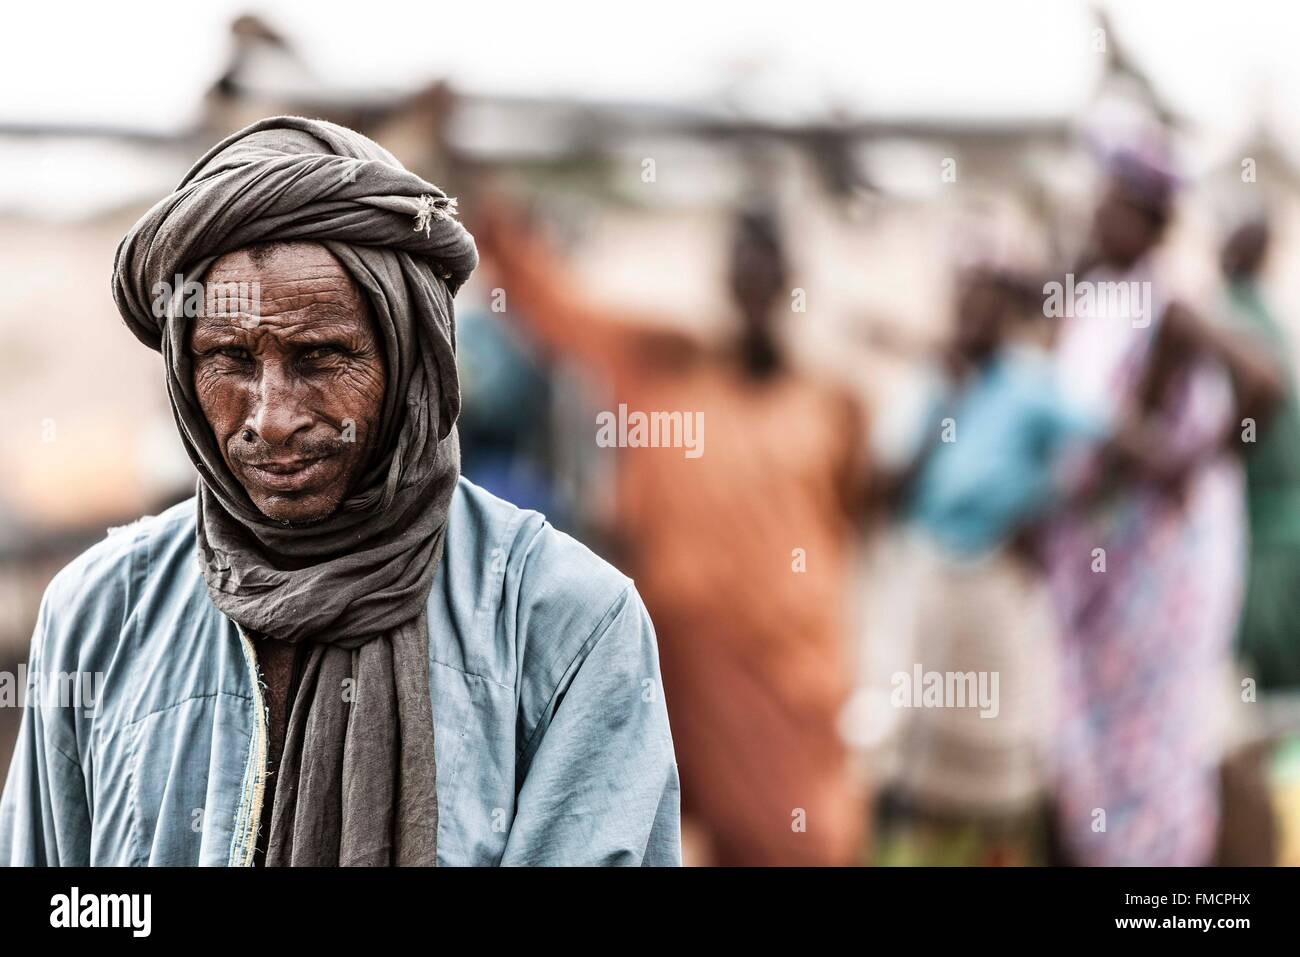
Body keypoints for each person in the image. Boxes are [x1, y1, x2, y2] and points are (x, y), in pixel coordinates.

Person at [0, 117, 680, 867]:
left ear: (409, 358)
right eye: (227, 357)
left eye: (321, 356)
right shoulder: (100, 613)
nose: (271, 417)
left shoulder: (564, 627)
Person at [475, 198, 870, 866]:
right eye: (742, 269)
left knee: (798, 838)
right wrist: (491, 217)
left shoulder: (830, 401)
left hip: (788, 679)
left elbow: (856, 512)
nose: (753, 287)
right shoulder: (663, 365)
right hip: (681, 666)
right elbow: (555, 310)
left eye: (768, 272)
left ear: (788, 283)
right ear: (725, 280)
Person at [1043, 145, 1280, 866]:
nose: (1097, 216)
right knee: (1093, 745)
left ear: (1149, 220)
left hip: (1160, 569)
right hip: (1101, 562)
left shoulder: (1167, 303)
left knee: (1158, 742)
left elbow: (1264, 383)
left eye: (1113, 205)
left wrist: (1190, 460)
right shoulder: (1097, 301)